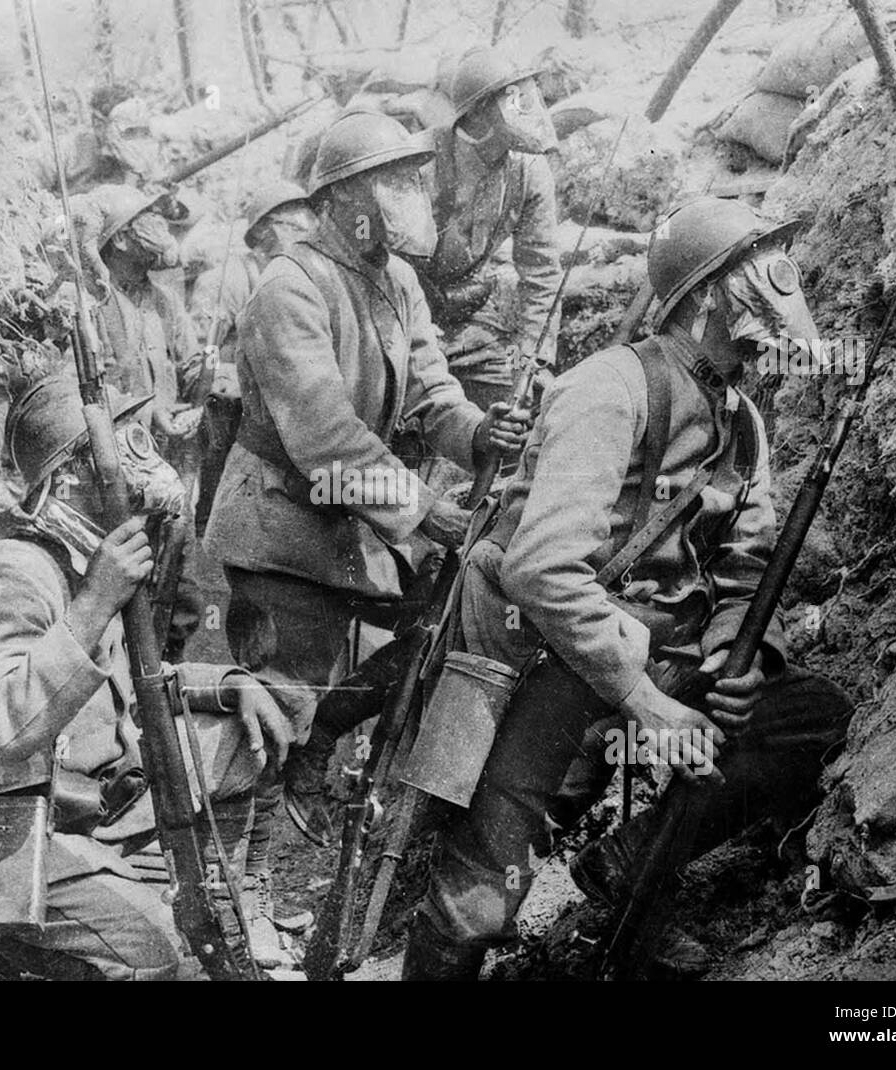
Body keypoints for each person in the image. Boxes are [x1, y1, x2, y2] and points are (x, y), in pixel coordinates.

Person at [404, 196, 853, 980]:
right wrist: (647, 704)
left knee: (809, 717)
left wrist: (734, 661)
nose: (783, 296)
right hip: (552, 657)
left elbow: (747, 567)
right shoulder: (609, 388)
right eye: (762, 275)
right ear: (709, 295)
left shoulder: (741, 420)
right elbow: (542, 571)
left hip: (660, 655)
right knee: (482, 894)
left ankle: (626, 870)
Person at [203, 107, 533, 961]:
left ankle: (312, 771)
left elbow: (431, 390)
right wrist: (427, 511)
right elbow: (322, 439)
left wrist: (476, 434)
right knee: (268, 710)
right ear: (349, 200)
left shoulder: (397, 282)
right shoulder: (290, 288)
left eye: (417, 180)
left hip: (349, 524)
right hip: (280, 528)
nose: (416, 196)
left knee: (444, 619)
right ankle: (236, 898)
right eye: (398, 182)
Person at [0, 375, 294, 980]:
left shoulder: (85, 558)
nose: (150, 450)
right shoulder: (18, 574)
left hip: (91, 804)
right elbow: (3, 727)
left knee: (245, 735)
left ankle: (196, 891)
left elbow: (130, 680)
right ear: (74, 476)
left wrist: (227, 684)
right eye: (127, 439)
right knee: (159, 956)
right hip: (5, 838)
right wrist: (95, 602)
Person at [80, 183, 209, 660]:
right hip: (113, 477)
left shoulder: (164, 301)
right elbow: (93, 393)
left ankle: (166, 679)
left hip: (169, 471)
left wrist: (200, 384)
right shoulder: (91, 306)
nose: (164, 227)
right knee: (119, 586)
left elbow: (189, 361)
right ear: (120, 239)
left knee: (180, 589)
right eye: (148, 220)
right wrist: (151, 412)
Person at [411, 45, 563, 413]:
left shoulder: (528, 169)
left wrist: (533, 360)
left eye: (528, 96)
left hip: (470, 325)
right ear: (480, 110)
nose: (527, 108)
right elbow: (382, 265)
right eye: (514, 100)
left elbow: (541, 271)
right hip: (408, 323)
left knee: (532, 407)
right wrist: (417, 334)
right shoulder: (418, 161)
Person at [191, 180, 316, 535]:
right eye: (292, 226)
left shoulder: (298, 277)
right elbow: (205, 351)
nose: (302, 234)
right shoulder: (231, 277)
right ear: (263, 231)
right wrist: (219, 383)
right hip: (228, 405)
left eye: (306, 225)